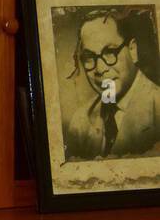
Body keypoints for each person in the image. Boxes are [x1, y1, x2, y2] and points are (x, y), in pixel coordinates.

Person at [64, 12, 160, 159]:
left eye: (110, 52)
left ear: (133, 50)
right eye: (90, 58)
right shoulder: (80, 122)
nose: (101, 69)